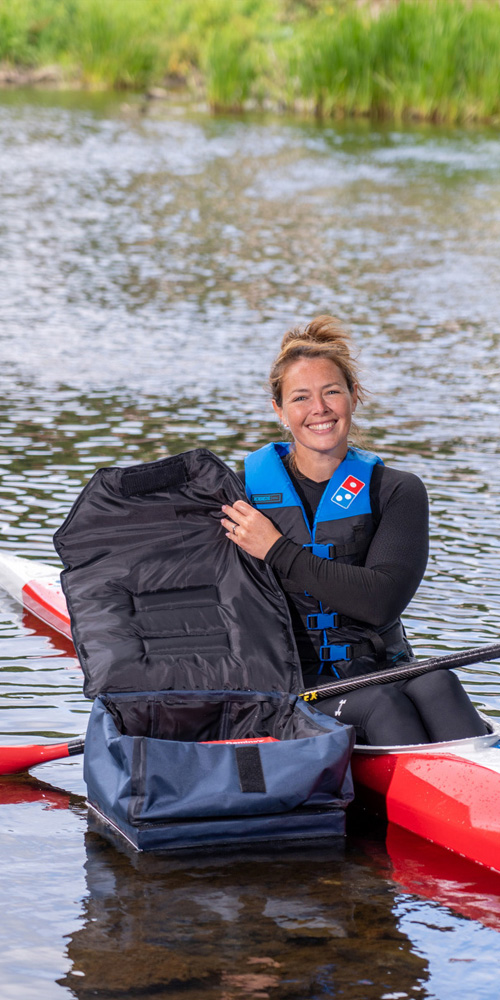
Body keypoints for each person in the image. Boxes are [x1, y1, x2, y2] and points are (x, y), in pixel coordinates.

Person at [221, 315, 487, 746]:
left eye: (331, 392)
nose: (319, 409)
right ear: (280, 411)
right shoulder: (240, 499)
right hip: (298, 683)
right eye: (301, 397)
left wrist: (276, 549)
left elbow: (380, 603)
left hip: (382, 666)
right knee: (383, 705)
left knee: (439, 683)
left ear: (353, 396)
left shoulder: (397, 490)